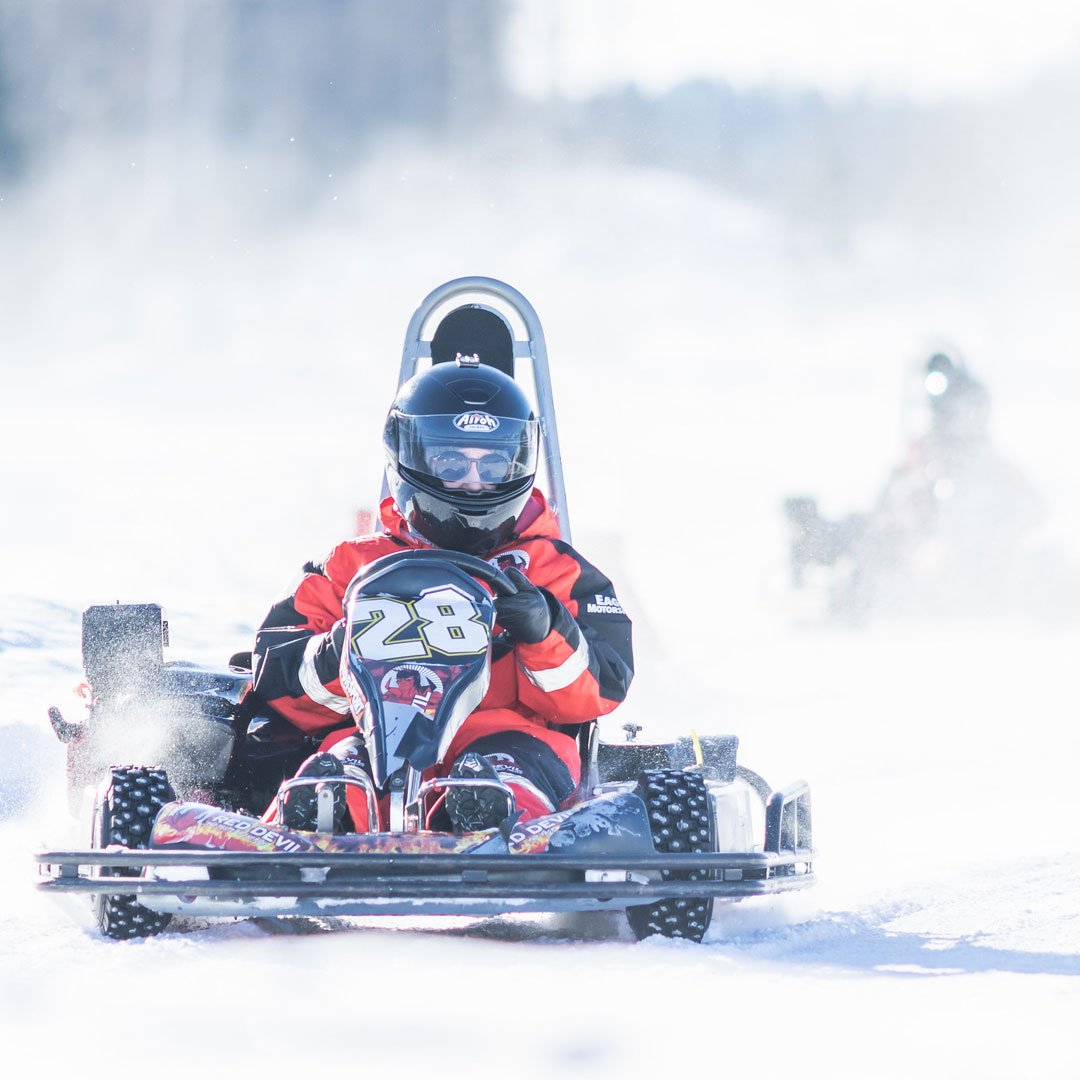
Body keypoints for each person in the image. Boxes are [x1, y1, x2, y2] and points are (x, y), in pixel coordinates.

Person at [250, 347, 634, 834]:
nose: (473, 484)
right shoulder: (350, 566)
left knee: (502, 766)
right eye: (452, 462)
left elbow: (599, 692)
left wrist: (544, 630)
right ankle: (324, 814)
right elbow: (278, 689)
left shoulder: (555, 569)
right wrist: (343, 651)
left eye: (491, 465)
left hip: (508, 735)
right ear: (408, 457)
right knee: (342, 759)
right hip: (374, 734)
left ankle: (486, 816)